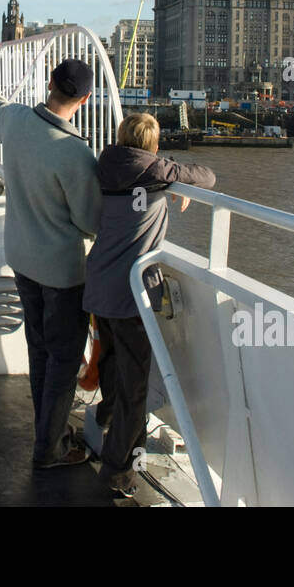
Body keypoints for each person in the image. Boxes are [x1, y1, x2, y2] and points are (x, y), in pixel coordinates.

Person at [0, 59, 102, 468]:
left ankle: (49, 431)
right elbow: (90, 222)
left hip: (22, 260)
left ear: (49, 84)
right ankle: (49, 449)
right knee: (64, 360)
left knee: (39, 350)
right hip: (63, 274)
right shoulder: (75, 153)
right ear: (83, 100)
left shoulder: (13, 120)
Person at [83, 111, 216, 496]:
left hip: (99, 285)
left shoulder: (104, 163)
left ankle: (106, 417)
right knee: (135, 386)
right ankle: (117, 471)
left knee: (110, 361)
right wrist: (175, 183)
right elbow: (206, 175)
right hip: (132, 294)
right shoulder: (156, 171)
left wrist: (169, 181)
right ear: (153, 145)